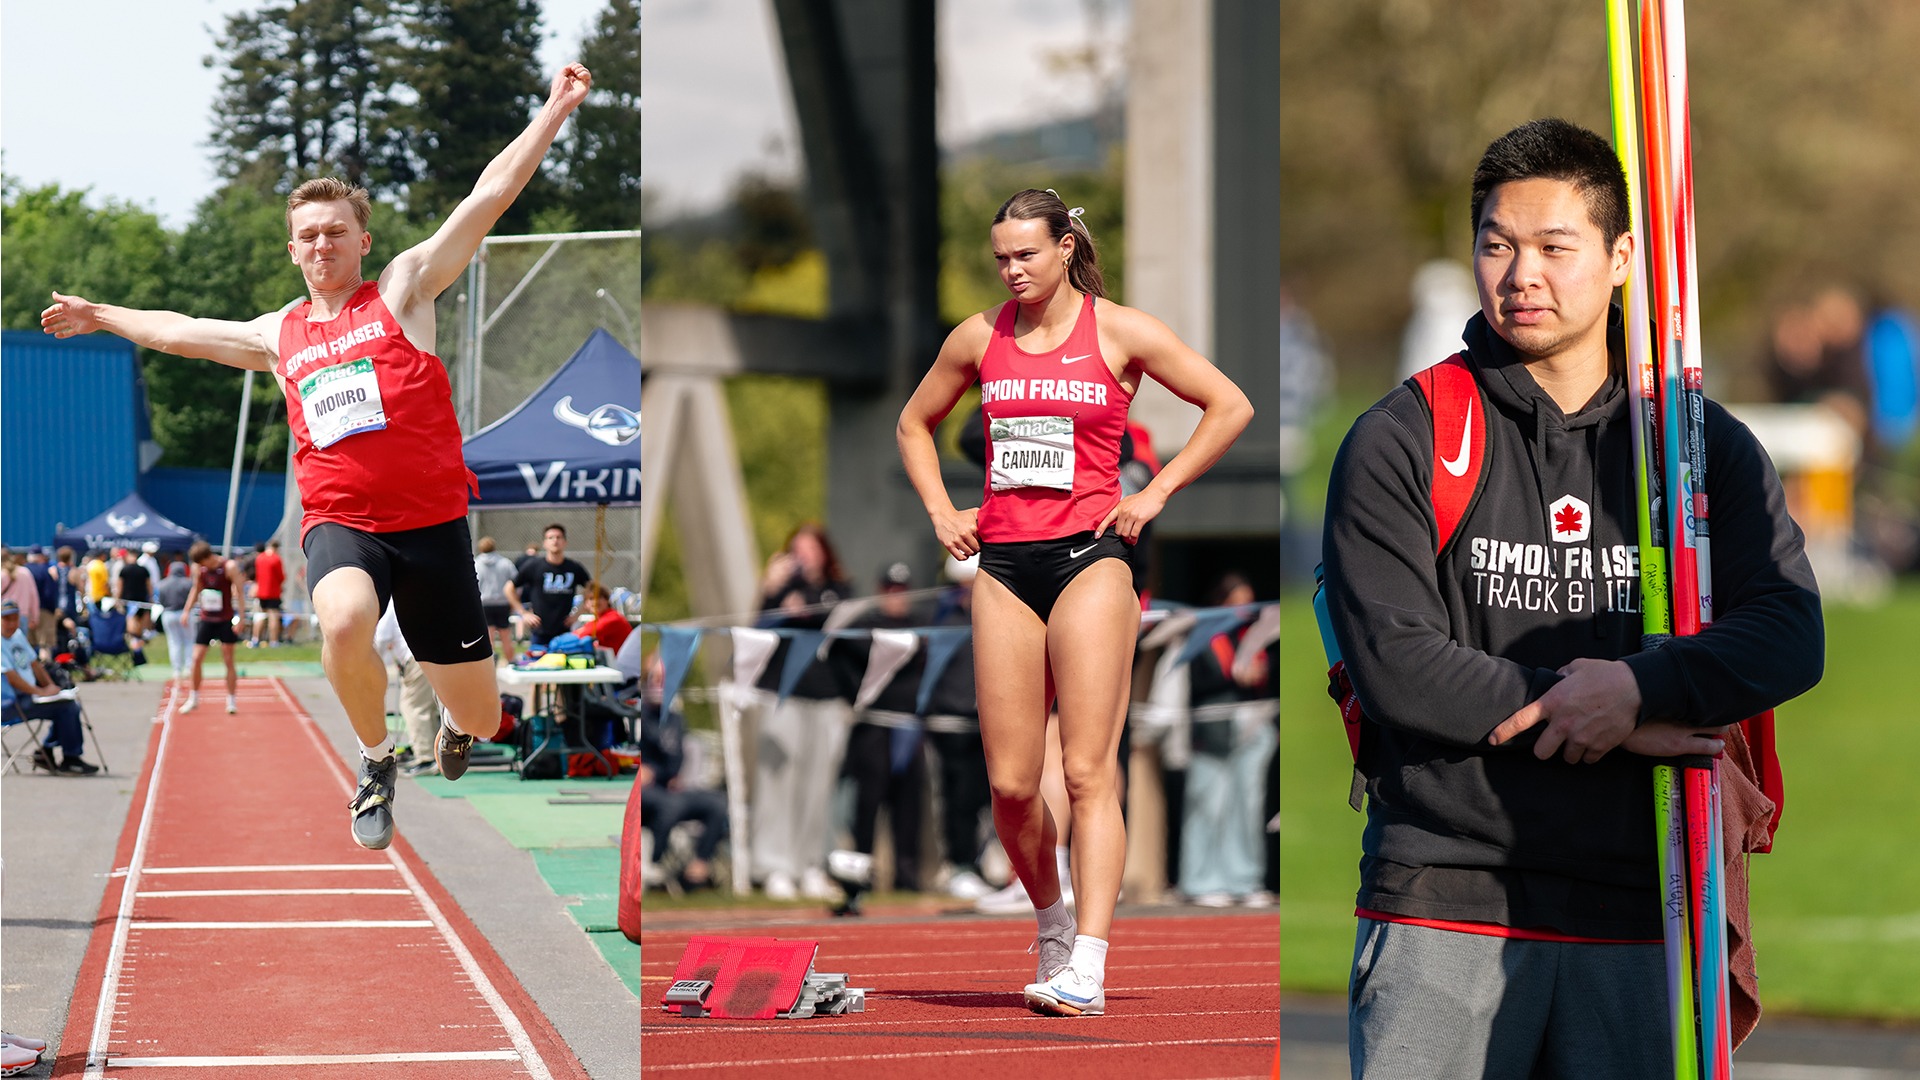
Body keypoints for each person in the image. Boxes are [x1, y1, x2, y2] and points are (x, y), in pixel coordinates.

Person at [1319, 118, 1824, 1077]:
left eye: (1556, 247)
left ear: (1623, 255)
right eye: (1497, 245)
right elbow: (1395, 663)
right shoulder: (1404, 436)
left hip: (1643, 904)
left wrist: (1640, 688)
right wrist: (1597, 713)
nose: (1522, 276)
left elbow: (1791, 633)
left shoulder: (1698, 444)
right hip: (1443, 892)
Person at [43, 62, 594, 850]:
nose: (323, 243)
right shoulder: (278, 334)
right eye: (309, 235)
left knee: (482, 711)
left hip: (432, 524)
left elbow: (488, 198)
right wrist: (102, 314)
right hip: (343, 520)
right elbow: (180, 329)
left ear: (362, 241)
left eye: (336, 231)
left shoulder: (404, 290)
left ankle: (458, 733)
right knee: (341, 620)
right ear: (293, 251)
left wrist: (553, 113)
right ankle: (376, 760)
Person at [896, 187, 1254, 1017]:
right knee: (1014, 784)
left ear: (1064, 249)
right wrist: (943, 511)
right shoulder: (978, 337)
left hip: (1093, 560)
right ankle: (1051, 922)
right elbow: (915, 424)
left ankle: (1088, 962)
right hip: (1004, 566)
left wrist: (1156, 491)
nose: (1012, 270)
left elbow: (1228, 405)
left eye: (1025, 254)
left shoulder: (1121, 330)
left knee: (1090, 770)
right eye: (1000, 259)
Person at [3, 599, 99, 775]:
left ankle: (47, 751)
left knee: (65, 702)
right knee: (67, 708)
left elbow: (35, 665)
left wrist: (51, 687)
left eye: (14, 619)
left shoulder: (17, 635)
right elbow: (12, 678)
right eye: (6, 619)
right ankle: (70, 758)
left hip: (29, 695)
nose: (11, 624)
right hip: (10, 702)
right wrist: (41, 691)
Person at [373, 601, 443, 778]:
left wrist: (375, 664)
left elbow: (381, 638)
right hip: (433, 654)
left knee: (413, 706)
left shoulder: (392, 603)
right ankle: (433, 754)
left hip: (416, 658)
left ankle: (427, 757)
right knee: (428, 707)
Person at [506, 524, 591, 651]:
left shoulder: (574, 568)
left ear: (565, 542)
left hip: (564, 632)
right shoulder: (534, 566)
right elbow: (508, 588)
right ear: (544, 543)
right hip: (540, 632)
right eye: (550, 538)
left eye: (558, 537)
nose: (555, 541)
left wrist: (577, 614)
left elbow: (593, 590)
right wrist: (523, 613)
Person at [183, 541, 243, 715]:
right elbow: (196, 589)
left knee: (228, 659)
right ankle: (193, 697)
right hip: (207, 618)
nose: (201, 566)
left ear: (208, 557)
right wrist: (186, 611)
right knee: (196, 658)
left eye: (203, 562)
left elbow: (239, 592)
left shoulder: (229, 567)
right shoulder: (199, 569)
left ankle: (231, 701)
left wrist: (241, 618)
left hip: (225, 619)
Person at [472, 536, 519, 662]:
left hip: (484, 603)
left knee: (489, 636)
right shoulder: (505, 563)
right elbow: (516, 582)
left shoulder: (476, 563)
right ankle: (511, 660)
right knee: (506, 636)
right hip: (503, 603)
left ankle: (490, 661)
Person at [154, 561, 194, 681]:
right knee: (188, 641)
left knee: (174, 642)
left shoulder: (162, 584)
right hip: (184, 613)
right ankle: (188, 668)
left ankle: (176, 670)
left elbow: (160, 600)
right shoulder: (188, 583)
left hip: (168, 614)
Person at [577, 581, 633, 653]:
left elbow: (582, 634)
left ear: (607, 600)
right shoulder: (599, 619)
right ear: (585, 604)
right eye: (591, 598)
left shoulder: (613, 618)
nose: (595, 602)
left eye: (599, 597)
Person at [25, 547, 60, 656]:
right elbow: (49, 594)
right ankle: (45, 670)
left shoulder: (22, 570)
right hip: (43, 610)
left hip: (24, 612)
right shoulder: (44, 571)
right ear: (39, 557)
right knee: (44, 645)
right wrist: (52, 610)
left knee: (27, 645)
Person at [114, 548, 154, 639]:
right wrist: (151, 597)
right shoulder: (143, 569)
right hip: (142, 598)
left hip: (128, 599)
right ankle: (138, 638)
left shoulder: (124, 569)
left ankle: (134, 638)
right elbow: (149, 585)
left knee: (131, 618)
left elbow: (120, 586)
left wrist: (117, 599)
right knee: (140, 619)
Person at [253, 539, 285, 645]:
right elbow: (281, 577)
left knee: (261, 615)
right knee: (273, 616)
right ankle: (274, 641)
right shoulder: (276, 559)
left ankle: (255, 639)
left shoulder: (259, 558)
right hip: (273, 592)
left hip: (261, 592)